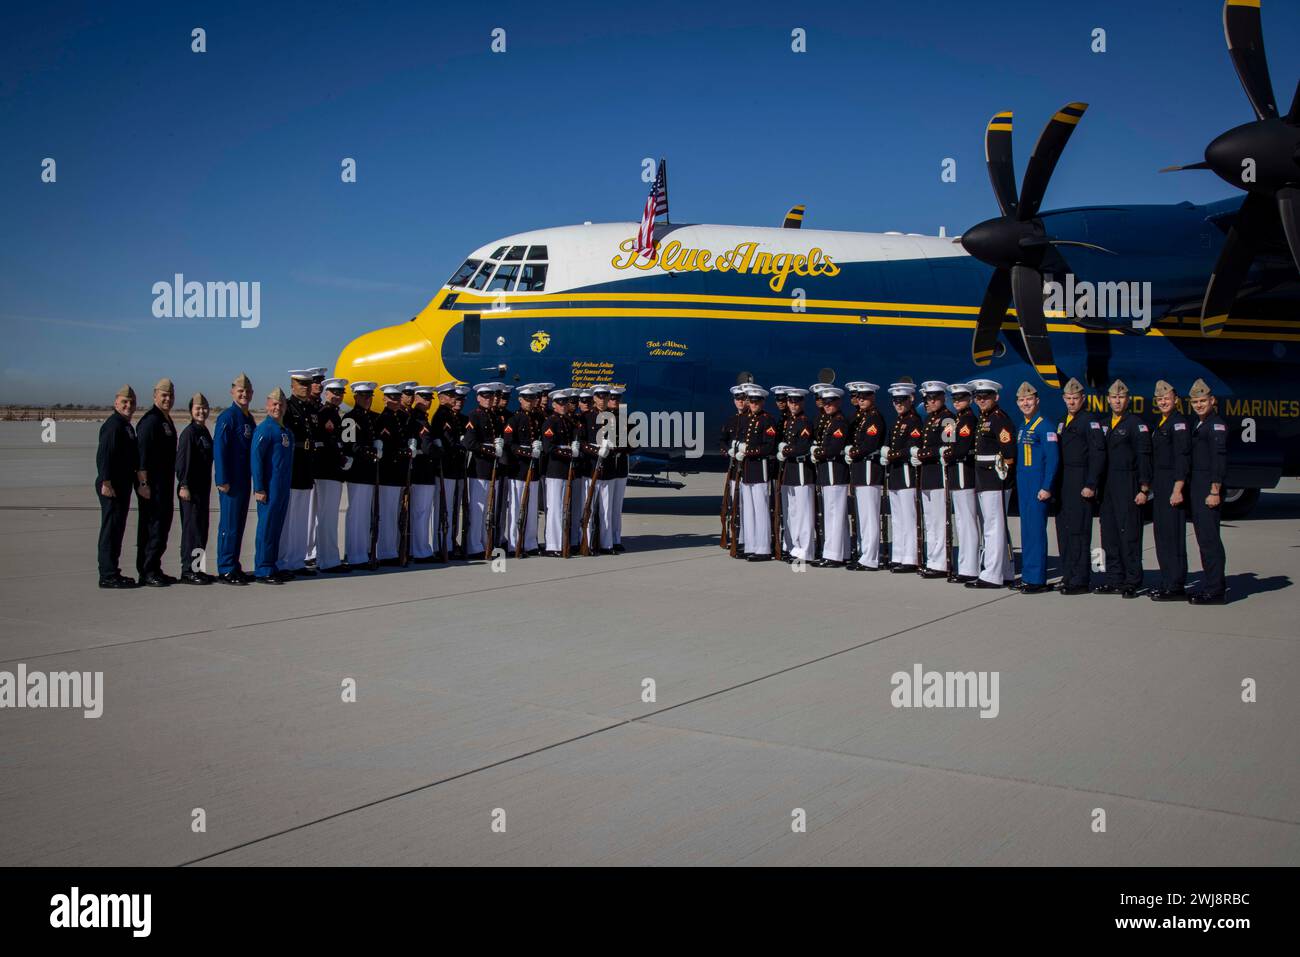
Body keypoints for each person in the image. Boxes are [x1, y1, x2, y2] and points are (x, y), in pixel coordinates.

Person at [1095, 379, 1152, 598]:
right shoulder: (1102, 424)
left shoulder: (1136, 425)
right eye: (1114, 398)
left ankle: (1132, 580)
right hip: (1107, 486)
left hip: (1128, 483)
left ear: (1127, 400)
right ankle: (1113, 577)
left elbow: (1144, 458)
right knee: (1108, 533)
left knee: (1129, 534)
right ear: (1108, 400)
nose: (1117, 401)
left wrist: (1144, 488)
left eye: (1121, 397)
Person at [1053, 378, 1105, 595]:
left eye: (1075, 398)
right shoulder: (1064, 420)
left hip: (1080, 479)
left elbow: (1098, 453)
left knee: (1079, 531)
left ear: (1083, 399)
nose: (1072, 402)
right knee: (1064, 530)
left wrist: (1091, 483)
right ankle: (1069, 574)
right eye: (1068, 399)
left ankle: (1081, 579)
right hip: (1065, 481)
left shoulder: (1089, 421)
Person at [966, 379, 1017, 589]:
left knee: (992, 527)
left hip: (995, 479)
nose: (981, 400)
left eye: (985, 396)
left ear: (995, 397)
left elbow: (1009, 452)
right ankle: (1005, 572)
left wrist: (1003, 477)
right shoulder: (984, 418)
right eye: (978, 397)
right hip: (985, 479)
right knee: (995, 526)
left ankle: (992, 574)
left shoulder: (999, 419)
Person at [1012, 381, 1059, 593]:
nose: (1025, 403)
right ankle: (1029, 575)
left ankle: (1037, 579)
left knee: (1036, 531)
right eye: (1021, 400)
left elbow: (1053, 459)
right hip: (1024, 485)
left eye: (1029, 399)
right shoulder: (1023, 426)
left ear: (1037, 401)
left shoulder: (1045, 426)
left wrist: (1047, 486)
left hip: (1038, 485)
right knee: (1027, 531)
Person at [1149, 380, 1192, 601]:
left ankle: (1176, 585)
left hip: (1172, 485)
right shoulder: (1163, 422)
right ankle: (1167, 581)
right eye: (1160, 399)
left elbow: (1182, 459)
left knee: (1173, 536)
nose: (1163, 402)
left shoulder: (1179, 424)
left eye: (1167, 398)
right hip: (1161, 484)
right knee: (1162, 535)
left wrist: (1178, 489)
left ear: (1175, 399)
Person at [1187, 379, 1228, 604]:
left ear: (1212, 400)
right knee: (1204, 539)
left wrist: (1215, 490)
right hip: (1198, 487)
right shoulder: (1199, 424)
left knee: (1210, 540)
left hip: (1208, 489)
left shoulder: (1215, 425)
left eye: (1203, 401)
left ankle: (1216, 590)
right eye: (1196, 402)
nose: (1199, 405)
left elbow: (1219, 460)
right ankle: (1211, 583)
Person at [135, 378, 179, 586]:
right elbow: (141, 457)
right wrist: (143, 485)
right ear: (155, 396)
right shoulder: (150, 421)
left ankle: (154, 567)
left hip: (164, 484)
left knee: (161, 528)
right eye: (164, 395)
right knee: (152, 528)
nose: (167, 399)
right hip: (152, 486)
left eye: (170, 396)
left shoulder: (165, 420)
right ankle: (146, 570)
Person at [96, 384, 141, 588]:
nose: (128, 405)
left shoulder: (126, 425)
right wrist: (106, 481)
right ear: (116, 402)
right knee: (111, 530)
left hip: (121, 486)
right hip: (111, 486)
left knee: (117, 529)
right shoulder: (113, 425)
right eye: (124, 402)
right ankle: (107, 574)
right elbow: (104, 454)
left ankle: (113, 571)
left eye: (131, 402)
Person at [213, 373, 256, 585]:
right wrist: (221, 479)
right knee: (229, 525)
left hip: (243, 480)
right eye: (240, 391)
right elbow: (219, 449)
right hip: (230, 481)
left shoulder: (248, 418)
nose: (244, 395)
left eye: (247, 392)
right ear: (232, 392)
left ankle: (234, 565)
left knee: (239, 525)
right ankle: (225, 568)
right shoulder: (227, 417)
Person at [251, 388, 294, 584]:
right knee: (266, 528)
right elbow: (256, 459)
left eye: (281, 404)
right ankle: (263, 569)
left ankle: (272, 564)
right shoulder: (265, 429)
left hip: (282, 488)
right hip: (269, 488)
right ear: (267, 405)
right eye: (274, 404)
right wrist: (259, 488)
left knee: (277, 528)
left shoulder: (285, 431)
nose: (277, 407)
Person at [844, 383, 886, 571]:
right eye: (859, 397)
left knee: (870, 517)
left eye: (864, 397)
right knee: (862, 517)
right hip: (861, 470)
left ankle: (871, 557)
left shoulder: (874, 418)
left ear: (872, 398)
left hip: (869, 470)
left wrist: (852, 451)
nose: (861, 400)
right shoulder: (862, 418)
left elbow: (870, 444)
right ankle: (863, 553)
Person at [312, 377, 352, 572]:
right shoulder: (323, 413)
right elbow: (323, 444)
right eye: (334, 393)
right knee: (327, 517)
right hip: (326, 471)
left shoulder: (336, 415)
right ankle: (327, 561)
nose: (337, 396)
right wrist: (339, 458)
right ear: (326, 393)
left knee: (330, 517)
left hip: (334, 472)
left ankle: (328, 558)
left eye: (340, 393)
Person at [175, 392, 215, 584]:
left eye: (204, 408)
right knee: (191, 531)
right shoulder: (189, 433)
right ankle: (188, 571)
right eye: (198, 408)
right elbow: (182, 461)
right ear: (191, 411)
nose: (202, 411)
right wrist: (183, 484)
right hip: (190, 490)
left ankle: (198, 568)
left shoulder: (204, 432)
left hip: (202, 489)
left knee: (201, 529)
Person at [942, 383, 980, 584]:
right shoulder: (953, 419)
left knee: (967, 523)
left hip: (965, 473)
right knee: (960, 523)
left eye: (961, 398)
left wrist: (946, 454)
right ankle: (963, 565)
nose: (957, 402)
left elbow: (961, 448)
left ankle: (970, 567)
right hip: (955, 474)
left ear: (970, 400)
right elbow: (947, 443)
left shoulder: (967, 420)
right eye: (955, 399)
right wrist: (945, 451)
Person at [734, 385, 778, 561]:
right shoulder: (747, 420)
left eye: (756, 401)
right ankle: (751, 545)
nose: (753, 404)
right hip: (748, 469)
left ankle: (763, 547)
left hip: (760, 469)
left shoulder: (767, 420)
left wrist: (748, 451)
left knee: (760, 509)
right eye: (750, 401)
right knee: (749, 510)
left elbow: (768, 446)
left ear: (762, 402)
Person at [462, 383, 505, 559]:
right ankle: (474, 546)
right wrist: (491, 449)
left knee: (488, 508)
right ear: (478, 398)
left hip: (491, 467)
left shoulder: (493, 416)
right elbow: (469, 443)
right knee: (478, 508)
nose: (489, 400)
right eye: (485, 397)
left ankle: (484, 543)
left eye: (491, 397)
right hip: (479, 468)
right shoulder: (474, 415)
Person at [916, 380, 953, 579]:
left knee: (938, 521)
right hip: (928, 475)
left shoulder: (948, 420)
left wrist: (923, 453)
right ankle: (932, 559)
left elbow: (947, 448)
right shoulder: (929, 420)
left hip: (939, 476)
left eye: (932, 399)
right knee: (930, 521)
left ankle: (940, 563)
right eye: (926, 399)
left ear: (941, 399)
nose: (928, 403)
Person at [809, 386, 850, 567]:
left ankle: (833, 555)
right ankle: (843, 551)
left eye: (830, 402)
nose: (827, 405)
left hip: (835, 472)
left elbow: (834, 448)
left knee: (834, 514)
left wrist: (817, 452)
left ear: (838, 402)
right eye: (824, 402)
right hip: (828, 472)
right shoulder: (829, 421)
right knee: (833, 514)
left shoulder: (839, 422)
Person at [341, 381, 379, 569]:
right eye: (363, 396)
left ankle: (362, 552)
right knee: (357, 514)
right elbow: (349, 445)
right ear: (356, 397)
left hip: (371, 473)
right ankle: (354, 554)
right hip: (358, 472)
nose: (367, 399)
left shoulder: (372, 417)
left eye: (369, 396)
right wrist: (369, 451)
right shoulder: (350, 418)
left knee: (366, 515)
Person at [884, 382, 922, 573]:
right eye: (895, 401)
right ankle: (898, 555)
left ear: (911, 400)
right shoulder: (898, 421)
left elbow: (912, 447)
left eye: (902, 400)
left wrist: (890, 454)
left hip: (907, 473)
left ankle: (911, 557)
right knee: (898, 519)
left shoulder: (914, 421)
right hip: (896, 474)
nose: (898, 404)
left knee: (908, 517)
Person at [776, 387, 815, 563]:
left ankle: (804, 551)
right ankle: (792, 547)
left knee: (803, 514)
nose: (793, 405)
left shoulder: (804, 422)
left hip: (801, 473)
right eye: (791, 402)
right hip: (790, 471)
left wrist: (785, 450)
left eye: (796, 402)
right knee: (791, 512)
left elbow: (803, 447)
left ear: (802, 403)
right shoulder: (789, 422)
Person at [504, 384, 544, 555]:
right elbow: (509, 444)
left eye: (533, 399)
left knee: (532, 508)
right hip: (518, 470)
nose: (530, 402)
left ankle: (530, 543)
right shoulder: (514, 419)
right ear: (520, 400)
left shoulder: (537, 418)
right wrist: (527, 452)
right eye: (527, 399)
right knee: (516, 509)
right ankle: (514, 544)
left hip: (533, 470)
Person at [434, 383, 469, 558]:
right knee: (444, 507)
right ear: (441, 397)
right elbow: (447, 442)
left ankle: (450, 542)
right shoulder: (441, 415)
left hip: (456, 469)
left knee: (453, 508)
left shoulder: (451, 416)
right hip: (446, 469)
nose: (454, 399)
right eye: (450, 395)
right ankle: (442, 544)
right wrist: (459, 446)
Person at [406, 386, 440, 563]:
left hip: (424, 470)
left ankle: (417, 549)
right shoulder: (417, 420)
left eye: (429, 399)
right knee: (421, 512)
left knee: (421, 512)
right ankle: (420, 551)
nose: (427, 402)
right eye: (423, 398)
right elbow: (426, 447)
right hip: (421, 471)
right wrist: (440, 451)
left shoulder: (421, 419)